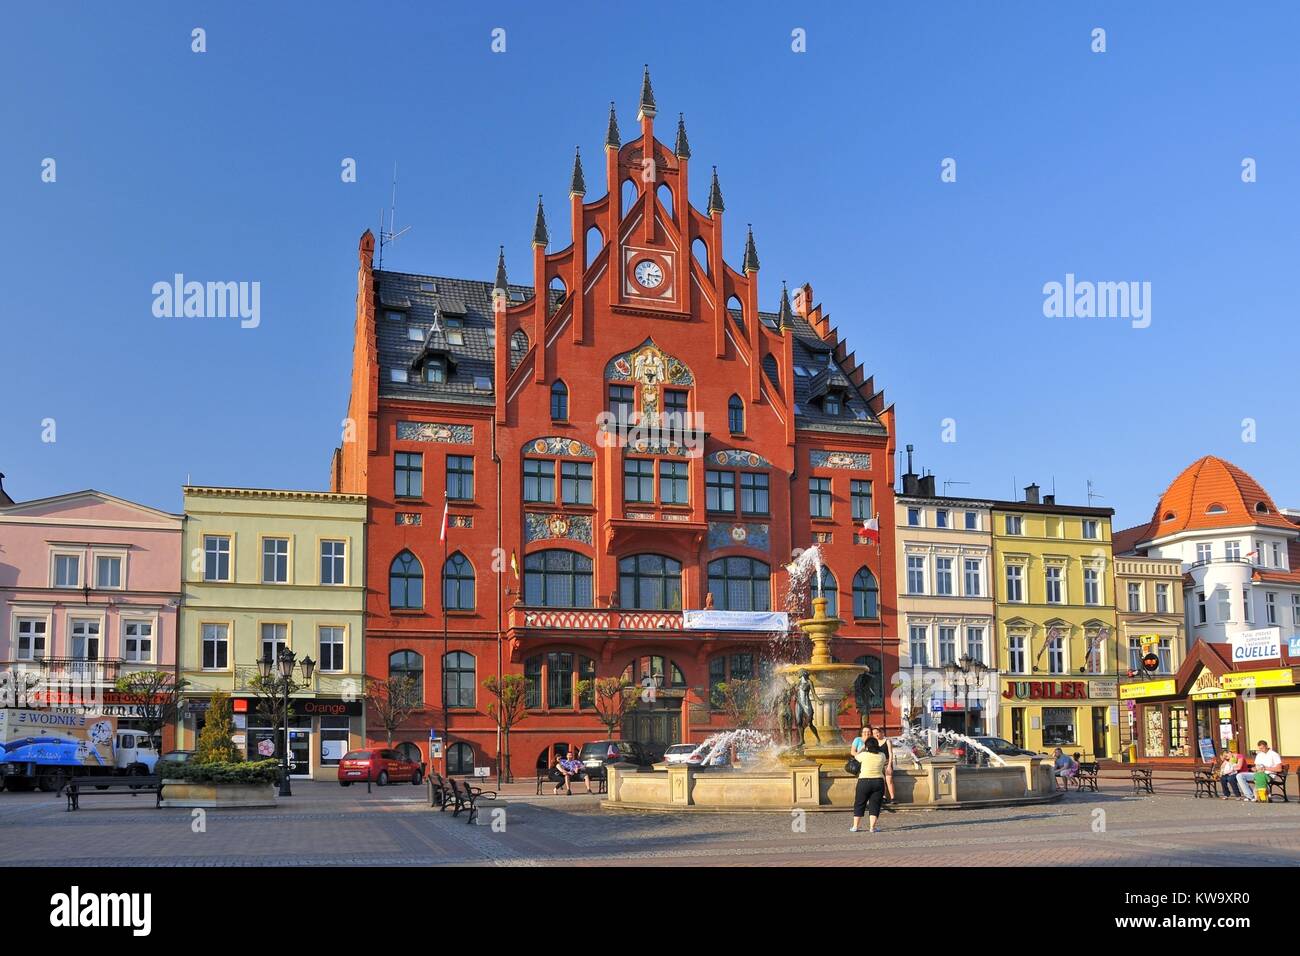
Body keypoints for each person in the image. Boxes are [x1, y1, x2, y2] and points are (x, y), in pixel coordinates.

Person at [850, 737, 889, 833]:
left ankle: (855, 826)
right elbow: (884, 762)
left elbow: (856, 756)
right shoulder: (882, 755)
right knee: (875, 805)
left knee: (859, 803)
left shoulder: (863, 755)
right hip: (878, 781)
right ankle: (872, 827)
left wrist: (862, 748)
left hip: (864, 781)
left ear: (867, 746)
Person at [872, 726, 896, 803]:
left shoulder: (887, 741)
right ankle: (884, 797)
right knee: (882, 781)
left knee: (889, 780)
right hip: (878, 764)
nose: (876, 735)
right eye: (874, 734)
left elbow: (891, 753)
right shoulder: (874, 743)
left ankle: (893, 798)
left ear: (881, 733)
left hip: (887, 763)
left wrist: (889, 765)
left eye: (877, 733)